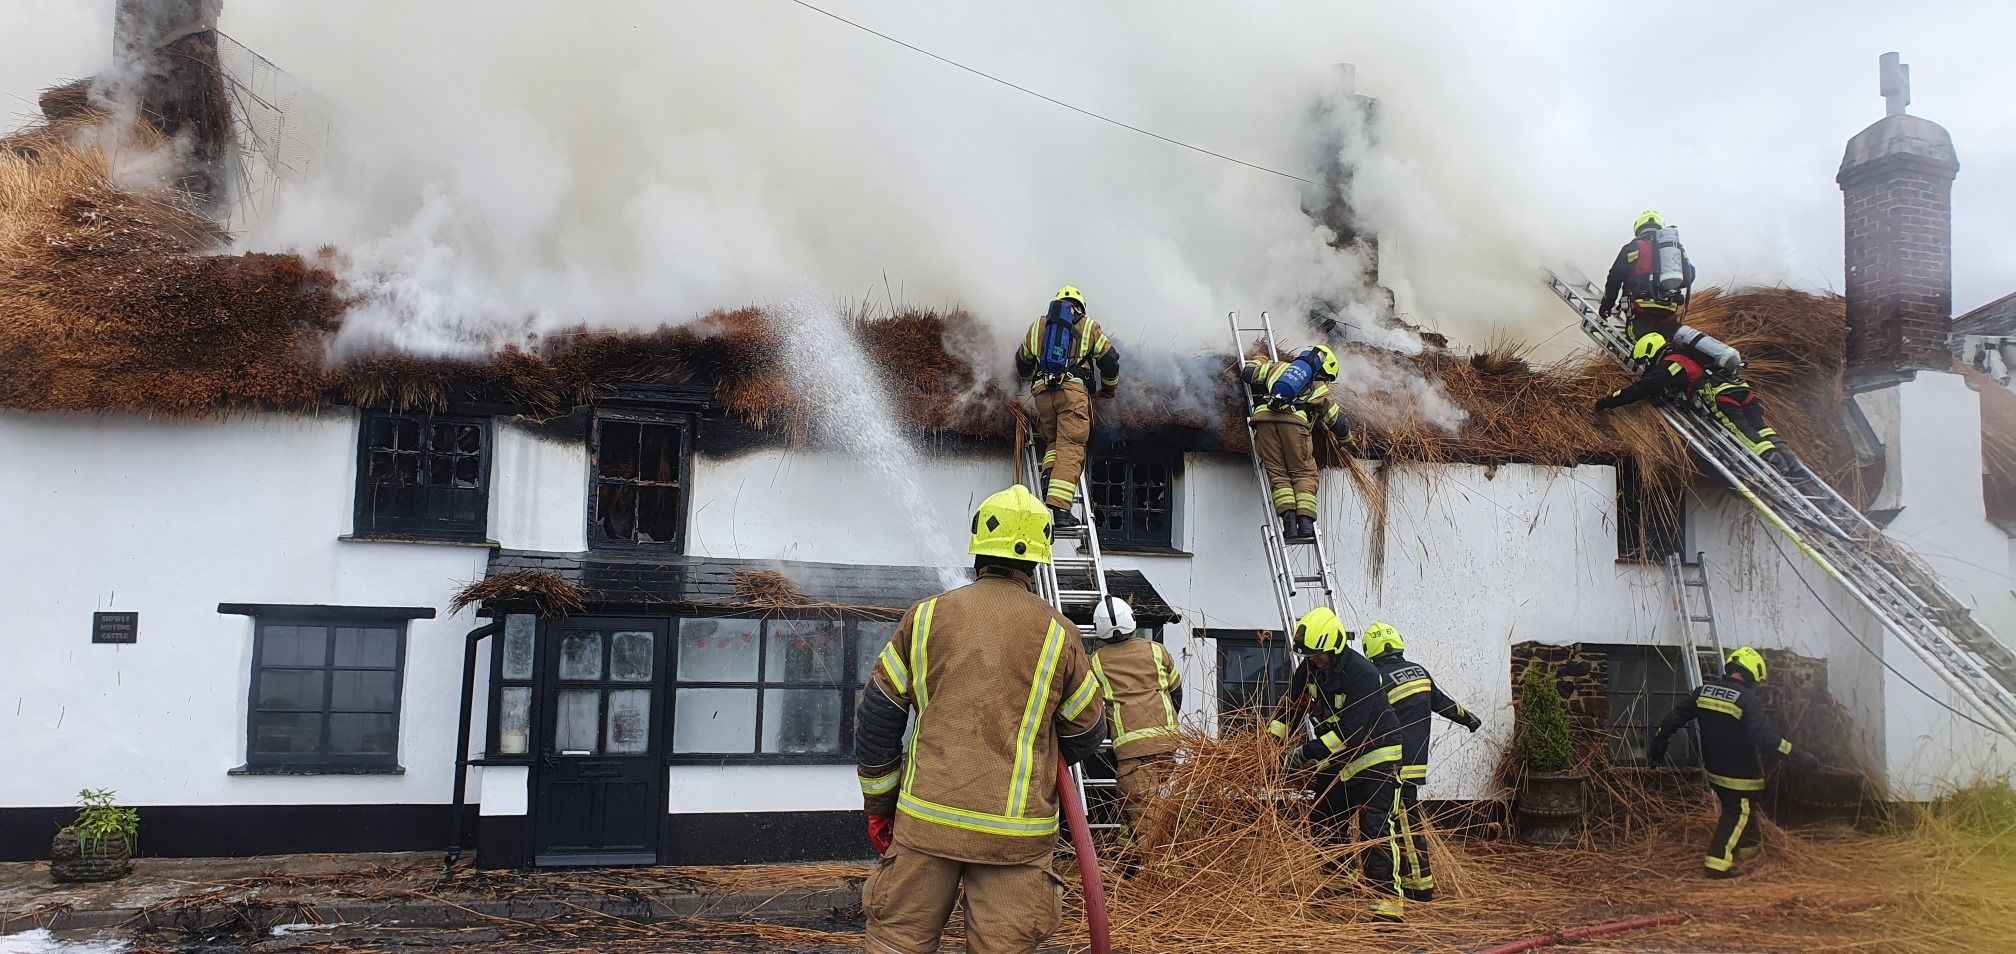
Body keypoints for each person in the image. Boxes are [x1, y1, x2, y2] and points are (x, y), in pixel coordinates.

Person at [854, 485, 1109, 952]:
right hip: (1015, 844)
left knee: (897, 944)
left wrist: (880, 806)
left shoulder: (927, 617)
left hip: (925, 829)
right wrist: (1035, 743)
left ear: (976, 546)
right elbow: (1088, 733)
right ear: (1040, 557)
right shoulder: (1060, 635)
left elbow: (878, 719)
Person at [1269, 607, 1407, 921]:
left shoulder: (1363, 674)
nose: (1313, 661)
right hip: (1339, 759)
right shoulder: (1308, 670)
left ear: (1334, 646)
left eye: (1318, 655)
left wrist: (1301, 755)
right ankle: (1340, 881)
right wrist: (1270, 744)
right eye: (1309, 655)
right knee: (1321, 819)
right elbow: (1291, 710)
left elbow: (1350, 733)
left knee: (1375, 831)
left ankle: (1386, 908)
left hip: (1376, 756)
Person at [1647, 646, 1819, 878]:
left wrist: (1660, 742)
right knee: (1738, 811)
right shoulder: (1746, 700)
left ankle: (1748, 850)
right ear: (1752, 673)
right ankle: (1717, 862)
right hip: (1741, 775)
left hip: (1715, 771)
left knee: (1741, 810)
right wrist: (1800, 757)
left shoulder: (1703, 692)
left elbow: (1675, 717)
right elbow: (1768, 740)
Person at [1361, 621, 1482, 903]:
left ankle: (1420, 885)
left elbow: (1365, 722)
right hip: (1416, 764)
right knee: (1406, 821)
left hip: (1393, 764)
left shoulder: (1377, 679)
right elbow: (1444, 703)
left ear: (1371, 650)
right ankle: (1412, 877)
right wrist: (1469, 719)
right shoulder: (1419, 672)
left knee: (1403, 824)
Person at [1594, 331, 1794, 474]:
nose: (1646, 367)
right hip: (1740, 388)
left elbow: (1641, 388)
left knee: (1740, 432)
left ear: (1650, 352)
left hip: (1721, 397)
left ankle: (1775, 465)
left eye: (1645, 362)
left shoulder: (1670, 365)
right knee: (1761, 428)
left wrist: (1609, 400)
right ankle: (1791, 461)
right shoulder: (1688, 357)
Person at [1015, 285, 1121, 531]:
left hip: (1042, 395)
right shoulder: (1087, 326)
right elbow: (1110, 360)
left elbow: (1022, 362)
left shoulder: (1038, 326)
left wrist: (1035, 378)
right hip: (1072, 393)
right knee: (1071, 446)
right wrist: (1109, 389)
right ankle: (1062, 510)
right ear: (1080, 306)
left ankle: (1048, 480)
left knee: (1054, 442)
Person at [1088, 596, 1183, 861]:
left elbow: (1090, 709)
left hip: (1132, 753)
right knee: (1137, 811)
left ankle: (1159, 877)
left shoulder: (1095, 662)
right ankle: (1128, 867)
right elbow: (1176, 693)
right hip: (1168, 747)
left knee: (1146, 821)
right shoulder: (1156, 651)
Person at [1242, 344, 1352, 542]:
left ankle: (1289, 524)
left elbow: (1248, 373)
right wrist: (1346, 439)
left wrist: (1260, 359)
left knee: (1277, 474)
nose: (1327, 382)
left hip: (1263, 423)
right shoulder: (1318, 388)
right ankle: (1306, 524)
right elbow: (1335, 419)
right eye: (1327, 378)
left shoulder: (1277, 368)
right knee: (1304, 473)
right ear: (1322, 370)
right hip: (1294, 427)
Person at [1599, 210, 1697, 342]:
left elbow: (1614, 279)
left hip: (1641, 311)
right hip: (1669, 312)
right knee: (1666, 350)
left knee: (1640, 349)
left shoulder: (1633, 248)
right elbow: (1689, 277)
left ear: (1639, 227)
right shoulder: (1673, 250)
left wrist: (1606, 307)